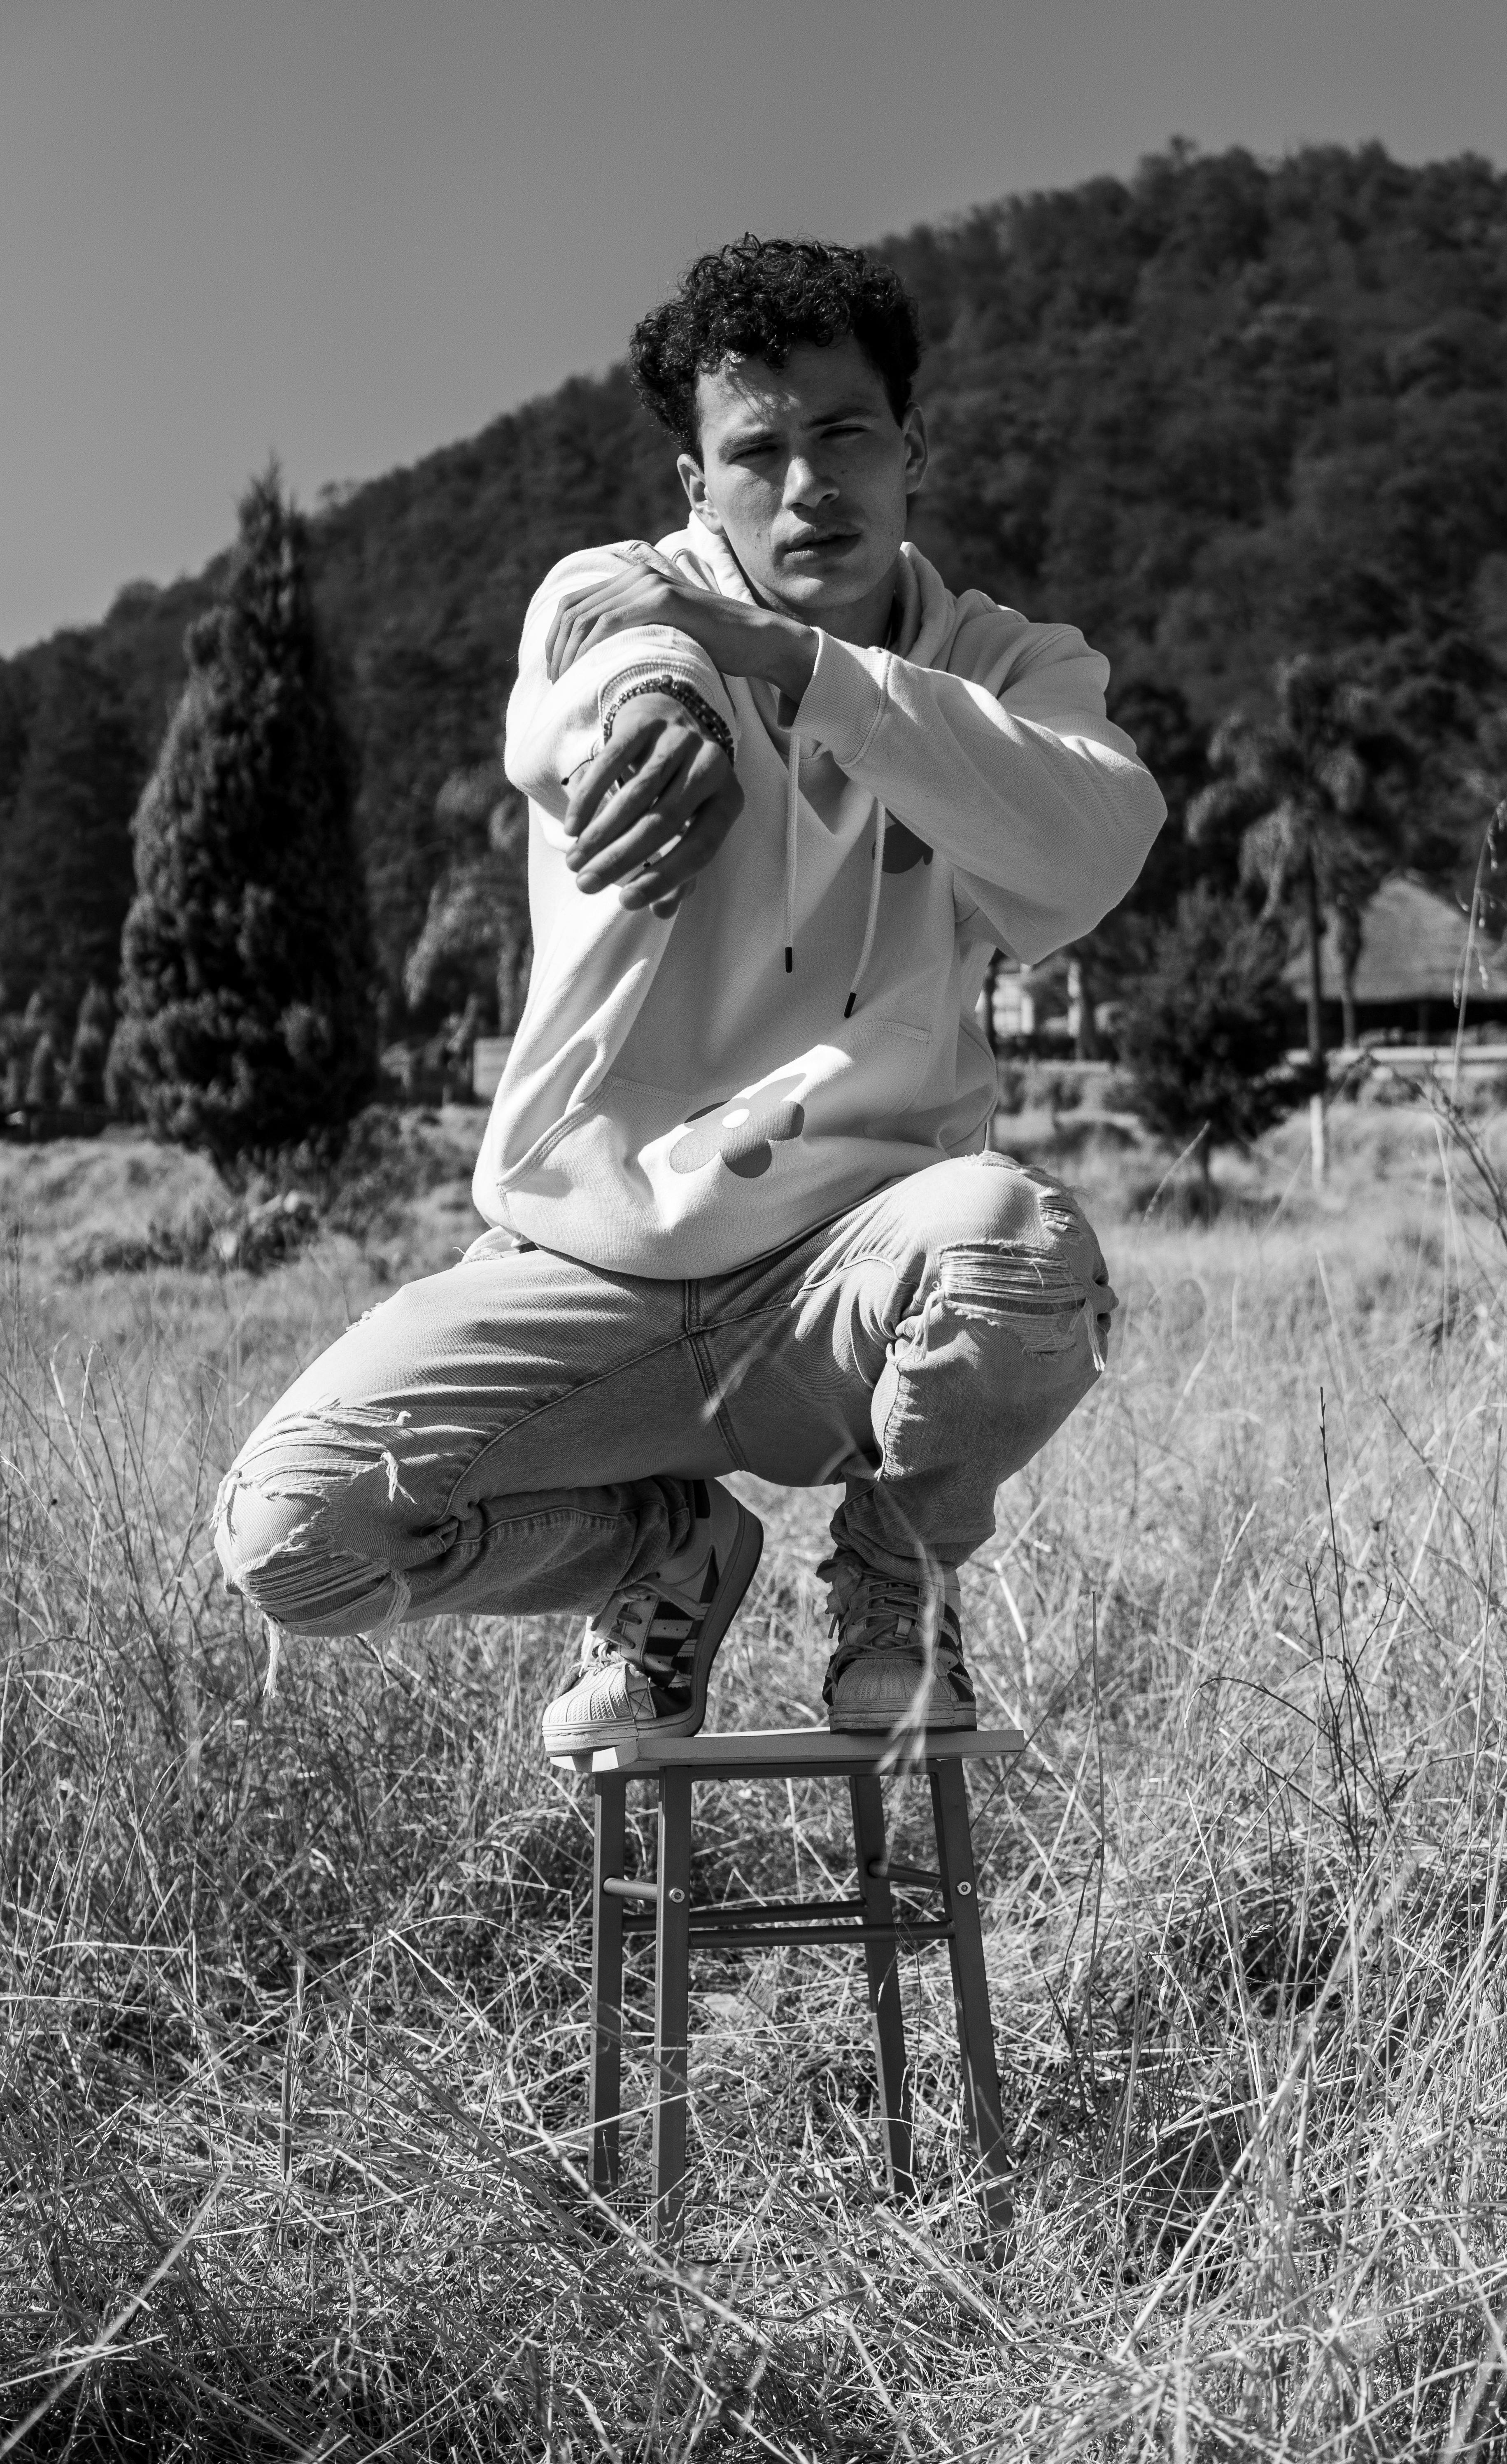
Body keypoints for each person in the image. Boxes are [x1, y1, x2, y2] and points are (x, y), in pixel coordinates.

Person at [213, 237, 1165, 1758]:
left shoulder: (1007, 664)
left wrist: (810, 673)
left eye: (845, 435)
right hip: (592, 1263)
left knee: (1024, 1256)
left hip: (858, 1272)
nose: (808, 487)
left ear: (914, 446)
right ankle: (670, 1557)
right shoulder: (618, 593)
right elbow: (611, 656)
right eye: (758, 452)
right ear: (694, 480)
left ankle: (895, 1580)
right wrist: (669, 697)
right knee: (294, 1540)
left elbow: (1094, 840)